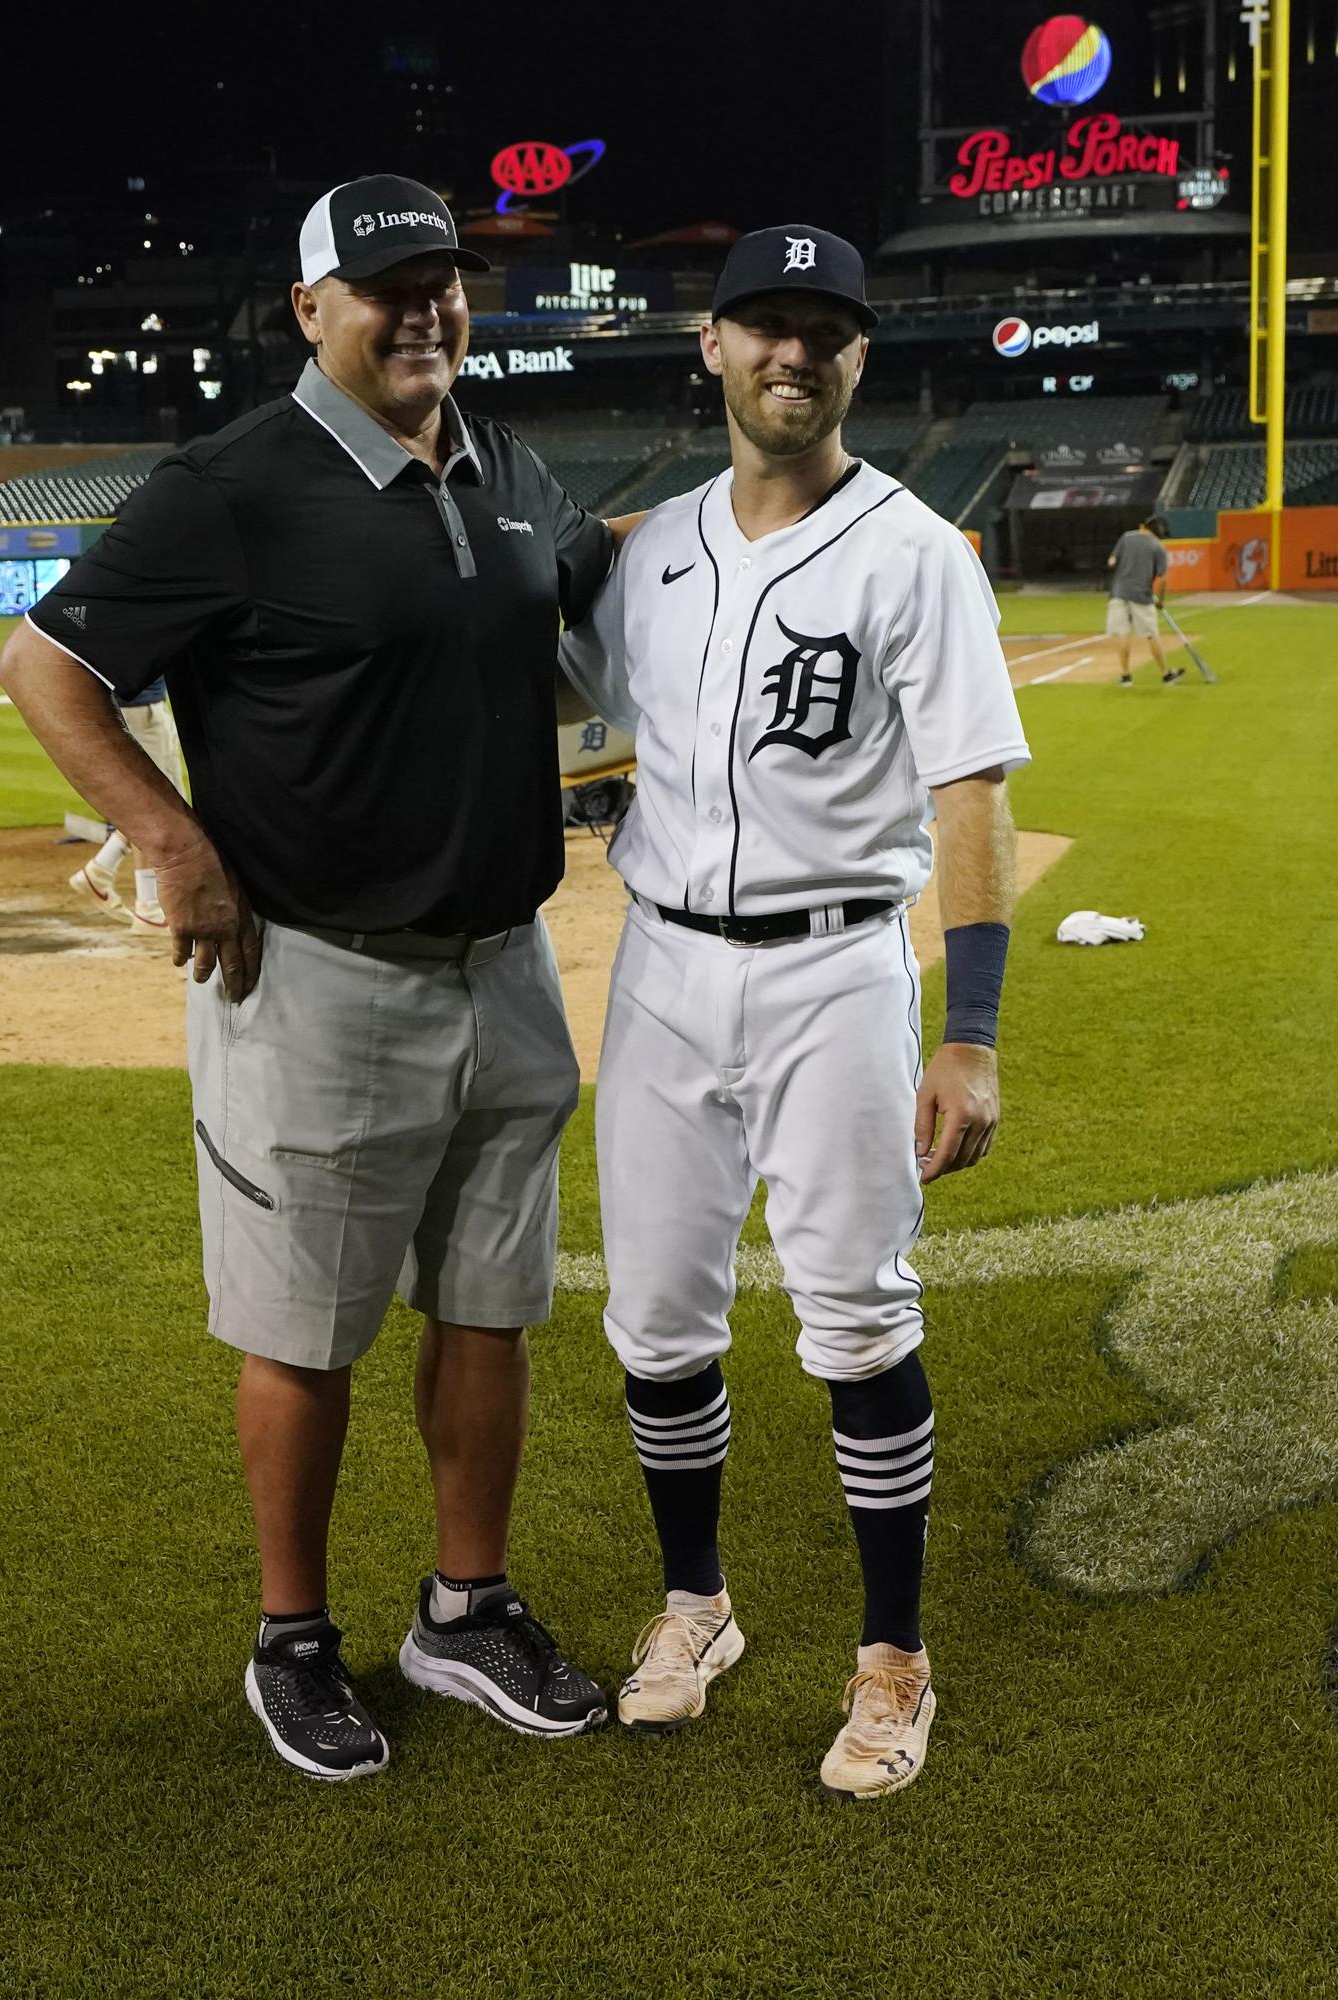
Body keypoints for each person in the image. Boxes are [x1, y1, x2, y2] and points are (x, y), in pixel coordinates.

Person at [0, 174, 623, 1782]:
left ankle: (464, 1610)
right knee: (305, 1332)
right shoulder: (232, 484)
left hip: (506, 964)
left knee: (492, 1311)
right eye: (387, 288)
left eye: (446, 285)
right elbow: (43, 663)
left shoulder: (502, 466)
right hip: (320, 973)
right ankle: (293, 1641)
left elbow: (556, 647)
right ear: (310, 312)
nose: (425, 312)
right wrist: (172, 843)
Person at [560, 224, 1031, 1801]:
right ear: (711, 346)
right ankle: (696, 1605)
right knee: (659, 1324)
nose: (792, 352)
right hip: (662, 970)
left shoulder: (916, 553)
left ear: (857, 359)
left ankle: (893, 1658)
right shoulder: (647, 553)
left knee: (860, 1320)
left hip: (838, 973)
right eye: (764, 323)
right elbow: (556, 713)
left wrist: (969, 1027)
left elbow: (971, 788)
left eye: (823, 328)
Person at [63, 677, 188, 927]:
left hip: (127, 708)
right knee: (161, 806)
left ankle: (108, 877)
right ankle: (146, 905)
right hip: (142, 711)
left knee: (152, 804)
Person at [1106, 510, 1179, 685]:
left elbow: (1111, 562)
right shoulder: (1157, 547)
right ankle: (1166, 674)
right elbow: (1162, 579)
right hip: (1141, 594)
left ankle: (1125, 676)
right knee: (1151, 634)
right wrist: (1161, 600)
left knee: (1123, 633)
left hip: (1118, 592)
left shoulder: (1126, 537)